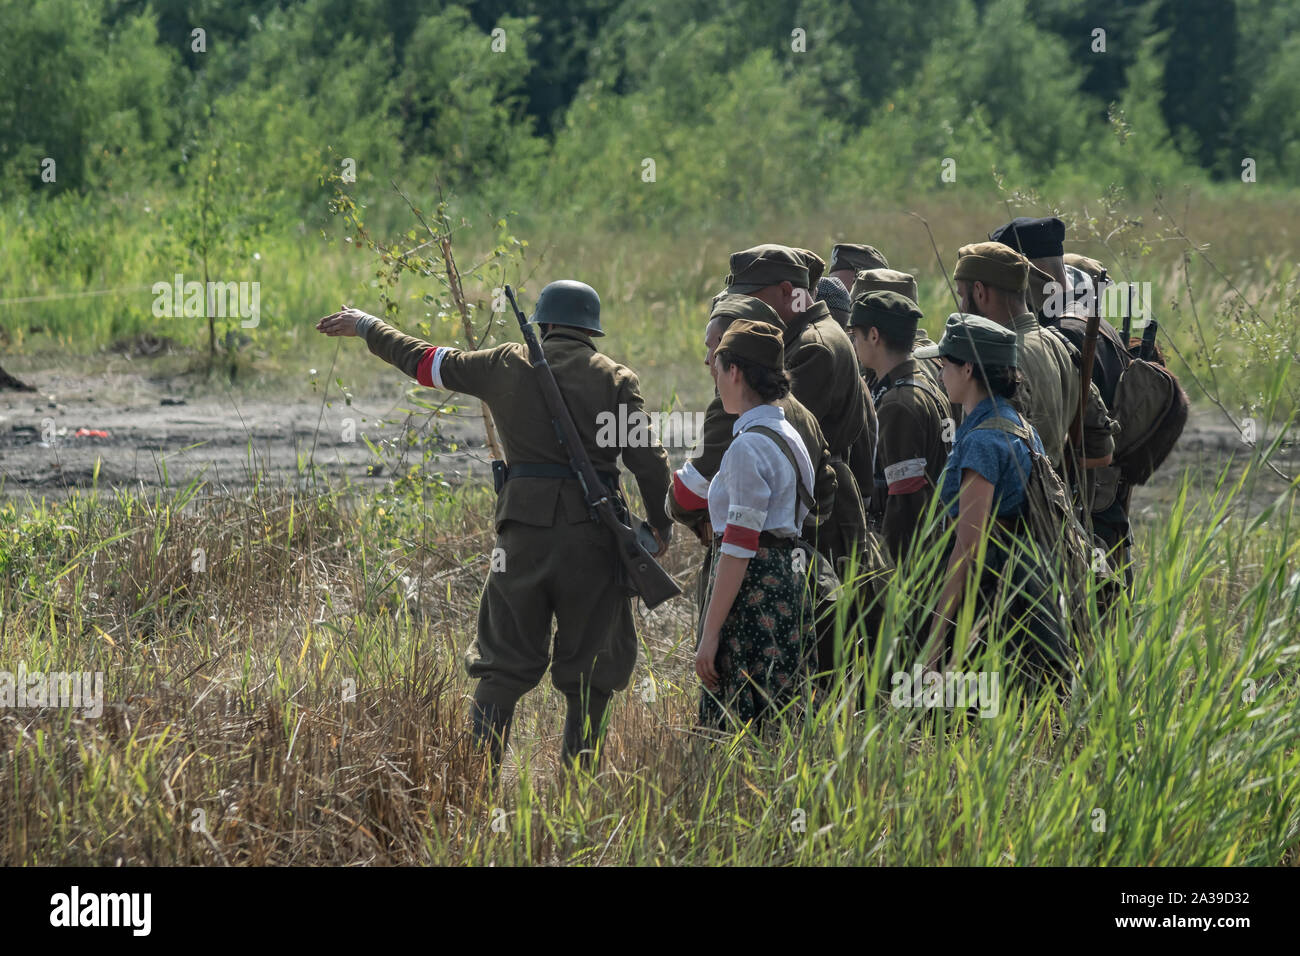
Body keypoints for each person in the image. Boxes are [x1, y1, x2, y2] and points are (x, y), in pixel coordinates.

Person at [314, 280, 674, 774]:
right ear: (592, 329)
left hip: (519, 537)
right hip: (595, 538)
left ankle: (475, 786)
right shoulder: (614, 378)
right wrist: (659, 525)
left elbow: (426, 362)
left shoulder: (504, 362)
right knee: (593, 671)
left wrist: (368, 326)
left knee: (501, 665)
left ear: (543, 324)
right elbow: (649, 463)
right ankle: (577, 794)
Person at [915, 314, 1072, 682]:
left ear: (967, 369)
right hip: (1020, 590)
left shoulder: (983, 443)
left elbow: (968, 549)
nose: (940, 375)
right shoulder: (1016, 422)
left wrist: (936, 637)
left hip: (988, 602)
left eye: (945, 365)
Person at [669, 294, 836, 628]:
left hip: (746, 582)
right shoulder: (799, 417)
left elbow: (687, 498)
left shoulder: (737, 418)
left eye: (715, 350)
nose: (708, 361)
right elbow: (826, 490)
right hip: (794, 575)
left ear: (736, 366)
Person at [694, 318, 817, 731]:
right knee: (779, 715)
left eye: (718, 367)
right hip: (786, 586)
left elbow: (738, 546)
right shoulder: (789, 434)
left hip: (752, 597)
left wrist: (709, 635)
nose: (714, 376)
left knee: (740, 725)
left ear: (735, 372)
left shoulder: (748, 447)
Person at [953, 241, 1115, 476]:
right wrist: (1054, 471)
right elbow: (1102, 452)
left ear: (979, 291)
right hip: (1054, 506)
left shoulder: (996, 363)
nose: (960, 306)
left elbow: (988, 462)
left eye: (961, 295)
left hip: (1005, 509)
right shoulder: (1062, 346)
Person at [847, 291, 952, 563]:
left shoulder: (897, 404)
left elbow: (905, 501)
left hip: (910, 559)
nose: (854, 344)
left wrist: (888, 569)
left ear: (873, 335)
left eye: (856, 336)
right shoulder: (926, 385)